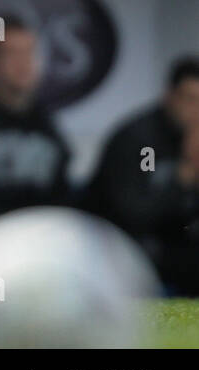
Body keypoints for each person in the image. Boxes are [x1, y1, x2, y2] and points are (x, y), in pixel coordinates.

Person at [85, 56, 199, 295]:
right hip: (114, 249)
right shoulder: (137, 139)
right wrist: (185, 176)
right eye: (190, 99)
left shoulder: (192, 140)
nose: (195, 111)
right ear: (170, 95)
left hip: (173, 251)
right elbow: (132, 213)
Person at [0, 16, 71, 214]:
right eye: (12, 54)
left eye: (29, 53)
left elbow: (60, 193)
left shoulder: (46, 123)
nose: (23, 63)